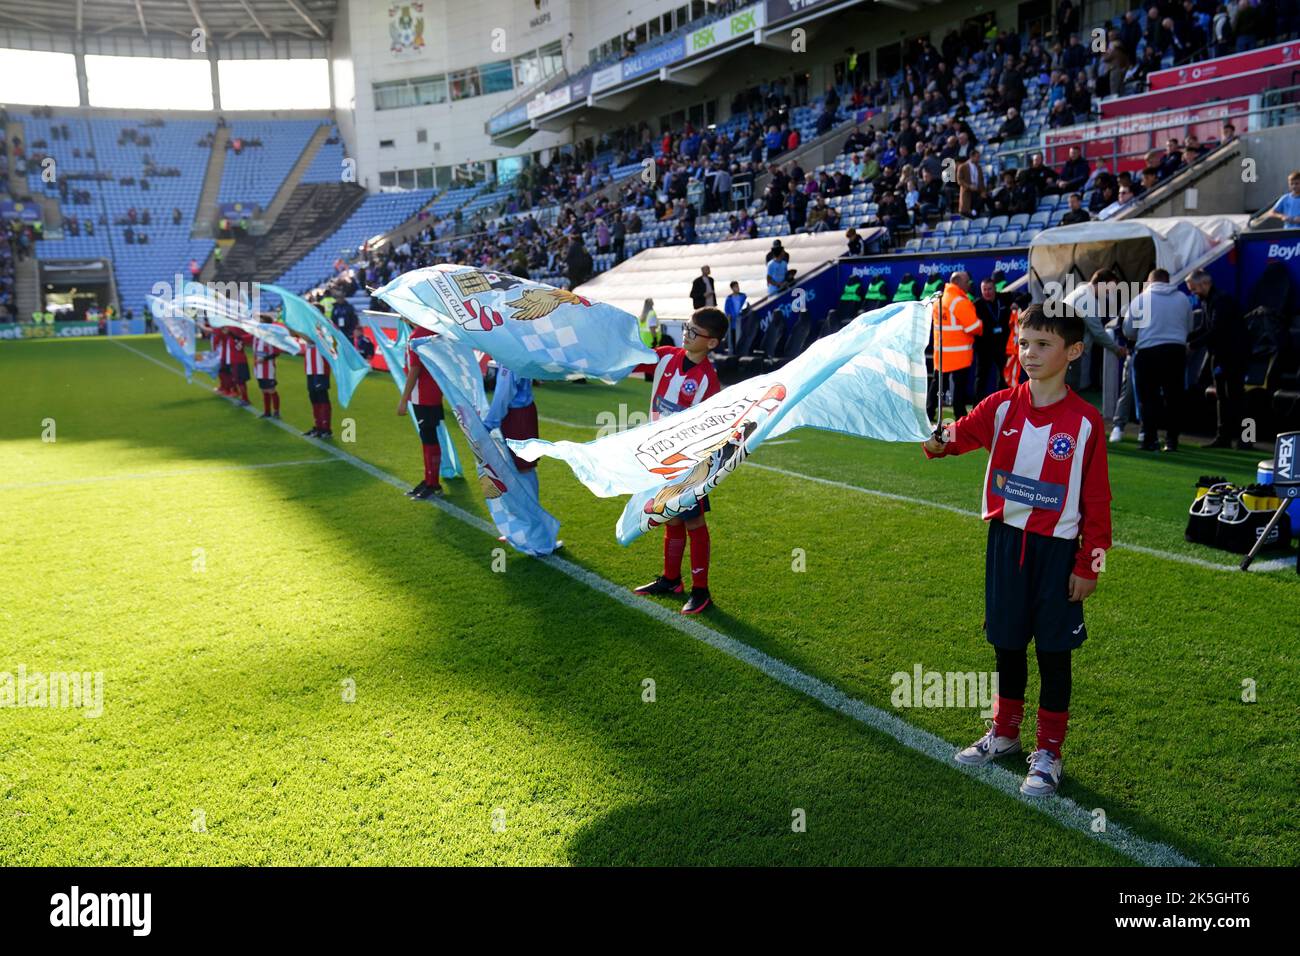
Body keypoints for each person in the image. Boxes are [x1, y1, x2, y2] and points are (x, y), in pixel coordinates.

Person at [923, 303, 1112, 799]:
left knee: (1053, 653)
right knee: (1006, 644)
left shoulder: (1086, 422)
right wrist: (937, 442)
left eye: (1043, 344)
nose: (1030, 353)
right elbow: (954, 440)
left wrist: (1090, 564)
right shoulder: (1001, 405)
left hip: (1058, 554)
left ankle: (1048, 751)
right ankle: (1004, 733)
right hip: (1005, 545)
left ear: (1073, 351)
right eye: (1025, 343)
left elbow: (1097, 500)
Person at [631, 307, 729, 615]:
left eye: (693, 332)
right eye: (686, 328)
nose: (686, 334)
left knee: (694, 521)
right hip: (660, 457)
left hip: (690, 463)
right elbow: (633, 359)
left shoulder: (707, 380)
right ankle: (671, 580)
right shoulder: (666, 356)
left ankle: (702, 591)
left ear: (711, 343)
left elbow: (713, 424)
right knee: (670, 516)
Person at [1122, 269, 1194, 452]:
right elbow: (1189, 326)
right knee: (1174, 397)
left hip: (1148, 351)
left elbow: (1128, 330)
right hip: (1175, 351)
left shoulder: (1141, 299)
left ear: (1149, 281)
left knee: (1147, 399)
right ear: (1167, 280)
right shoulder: (1182, 299)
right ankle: (1171, 441)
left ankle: (1149, 439)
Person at [1187, 269, 1252, 450]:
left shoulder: (1221, 301)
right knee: (1223, 397)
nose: (1193, 293)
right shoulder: (1210, 301)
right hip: (1222, 355)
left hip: (1233, 356)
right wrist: (1185, 338)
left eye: (1194, 289)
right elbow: (1205, 328)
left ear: (1205, 284)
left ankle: (1247, 438)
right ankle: (1224, 437)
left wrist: (1192, 345)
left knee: (1237, 397)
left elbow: (1216, 331)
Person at [396, 323, 445, 499]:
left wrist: (403, 399)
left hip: (424, 395)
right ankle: (429, 480)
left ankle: (433, 483)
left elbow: (415, 369)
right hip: (431, 393)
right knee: (428, 437)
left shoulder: (418, 335)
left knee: (428, 438)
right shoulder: (431, 331)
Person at [928, 271, 983, 421]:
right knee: (959, 387)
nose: (969, 284)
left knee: (937, 384)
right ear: (958, 282)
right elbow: (973, 327)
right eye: (967, 282)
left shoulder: (940, 299)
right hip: (958, 354)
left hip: (941, 351)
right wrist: (981, 324)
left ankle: (929, 412)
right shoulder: (959, 301)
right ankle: (960, 414)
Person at [1061, 268, 1127, 391]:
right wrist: (1117, 349)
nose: (1109, 293)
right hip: (1070, 348)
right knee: (1071, 389)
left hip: (1066, 345)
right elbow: (1097, 332)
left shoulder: (1081, 291)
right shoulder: (1088, 299)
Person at [972, 278, 1011, 400]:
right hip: (983, 347)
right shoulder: (976, 304)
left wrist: (1016, 303)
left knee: (1004, 376)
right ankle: (977, 407)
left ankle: (1002, 402)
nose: (987, 292)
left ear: (995, 289)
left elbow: (1026, 296)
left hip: (1002, 345)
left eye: (989, 289)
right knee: (981, 378)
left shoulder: (1003, 298)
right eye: (984, 289)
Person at [299, 329, 333, 440]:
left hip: (320, 369)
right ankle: (318, 427)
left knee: (322, 397)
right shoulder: (309, 326)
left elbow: (311, 340)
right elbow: (292, 333)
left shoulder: (323, 329)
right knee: (313, 397)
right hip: (310, 370)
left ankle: (326, 429)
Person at [253, 315, 282, 419]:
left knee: (271, 390)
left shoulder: (271, 336)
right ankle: (267, 412)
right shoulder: (257, 336)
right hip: (258, 368)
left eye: (262, 322)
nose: (259, 324)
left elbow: (277, 352)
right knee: (263, 390)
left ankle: (276, 411)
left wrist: (265, 359)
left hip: (268, 368)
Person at [957, 146, 986, 217]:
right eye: (977, 157)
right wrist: (969, 186)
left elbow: (981, 180)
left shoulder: (979, 167)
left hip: (977, 191)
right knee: (967, 211)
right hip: (967, 191)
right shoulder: (962, 166)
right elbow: (959, 180)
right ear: (971, 156)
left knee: (977, 209)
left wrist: (983, 191)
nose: (978, 159)